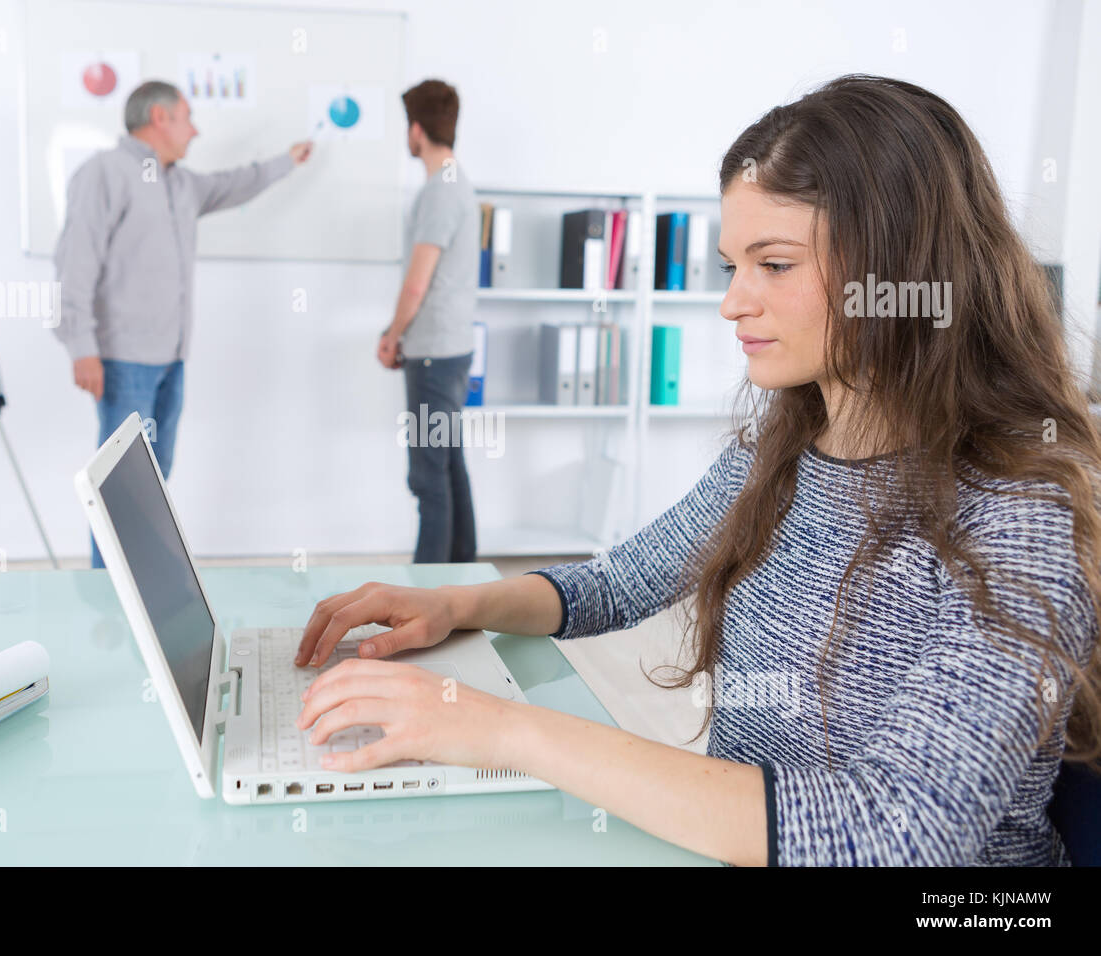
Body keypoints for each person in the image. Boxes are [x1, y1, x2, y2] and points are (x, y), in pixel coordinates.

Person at [291, 74, 1101, 866]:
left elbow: (895, 834)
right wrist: (455, 604)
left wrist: (503, 731)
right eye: (730, 267)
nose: (733, 302)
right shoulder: (781, 454)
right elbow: (615, 584)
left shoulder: (1018, 516)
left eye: (774, 265)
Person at [54, 80, 312, 567]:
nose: (195, 130)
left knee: (152, 484)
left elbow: (236, 183)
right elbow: (75, 263)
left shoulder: (181, 184)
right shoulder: (104, 174)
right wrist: (80, 346)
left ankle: (142, 591)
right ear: (159, 118)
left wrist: (286, 161)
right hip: (123, 360)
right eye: (188, 117)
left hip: (171, 359)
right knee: (119, 490)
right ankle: (108, 596)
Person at [378, 79, 479, 564]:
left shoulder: (439, 192)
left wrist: (393, 335)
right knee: (448, 465)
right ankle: (462, 584)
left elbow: (416, 285)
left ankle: (428, 595)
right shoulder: (459, 183)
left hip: (434, 352)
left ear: (416, 129)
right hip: (451, 347)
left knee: (428, 478)